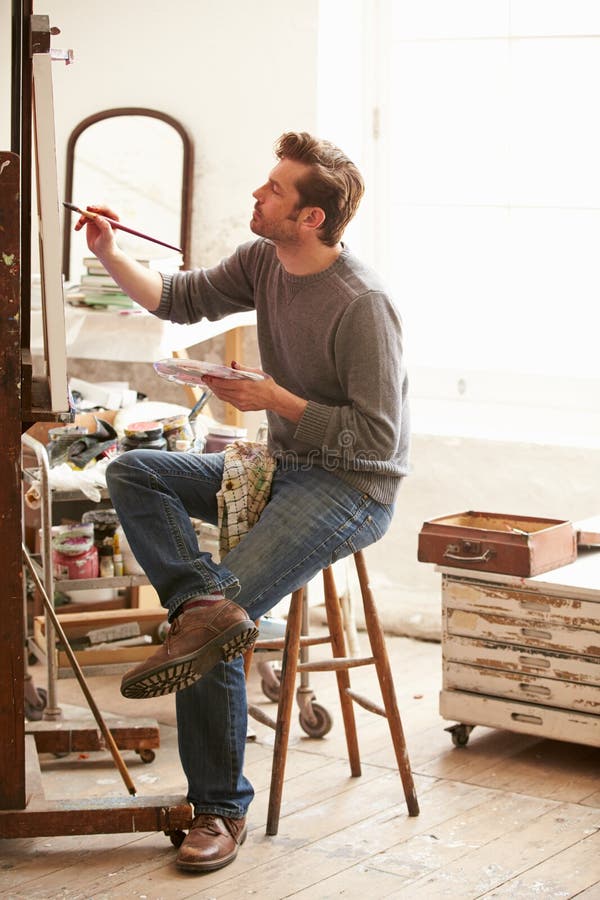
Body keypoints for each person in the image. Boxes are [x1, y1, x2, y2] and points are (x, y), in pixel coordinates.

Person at [75, 131, 409, 873]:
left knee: (217, 618)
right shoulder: (265, 260)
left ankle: (219, 811)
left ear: (311, 218)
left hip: (352, 485)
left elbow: (379, 438)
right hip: (283, 463)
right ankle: (202, 609)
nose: (256, 196)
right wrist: (106, 249)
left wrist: (273, 396)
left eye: (273, 189)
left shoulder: (364, 304)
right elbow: (179, 296)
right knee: (138, 473)